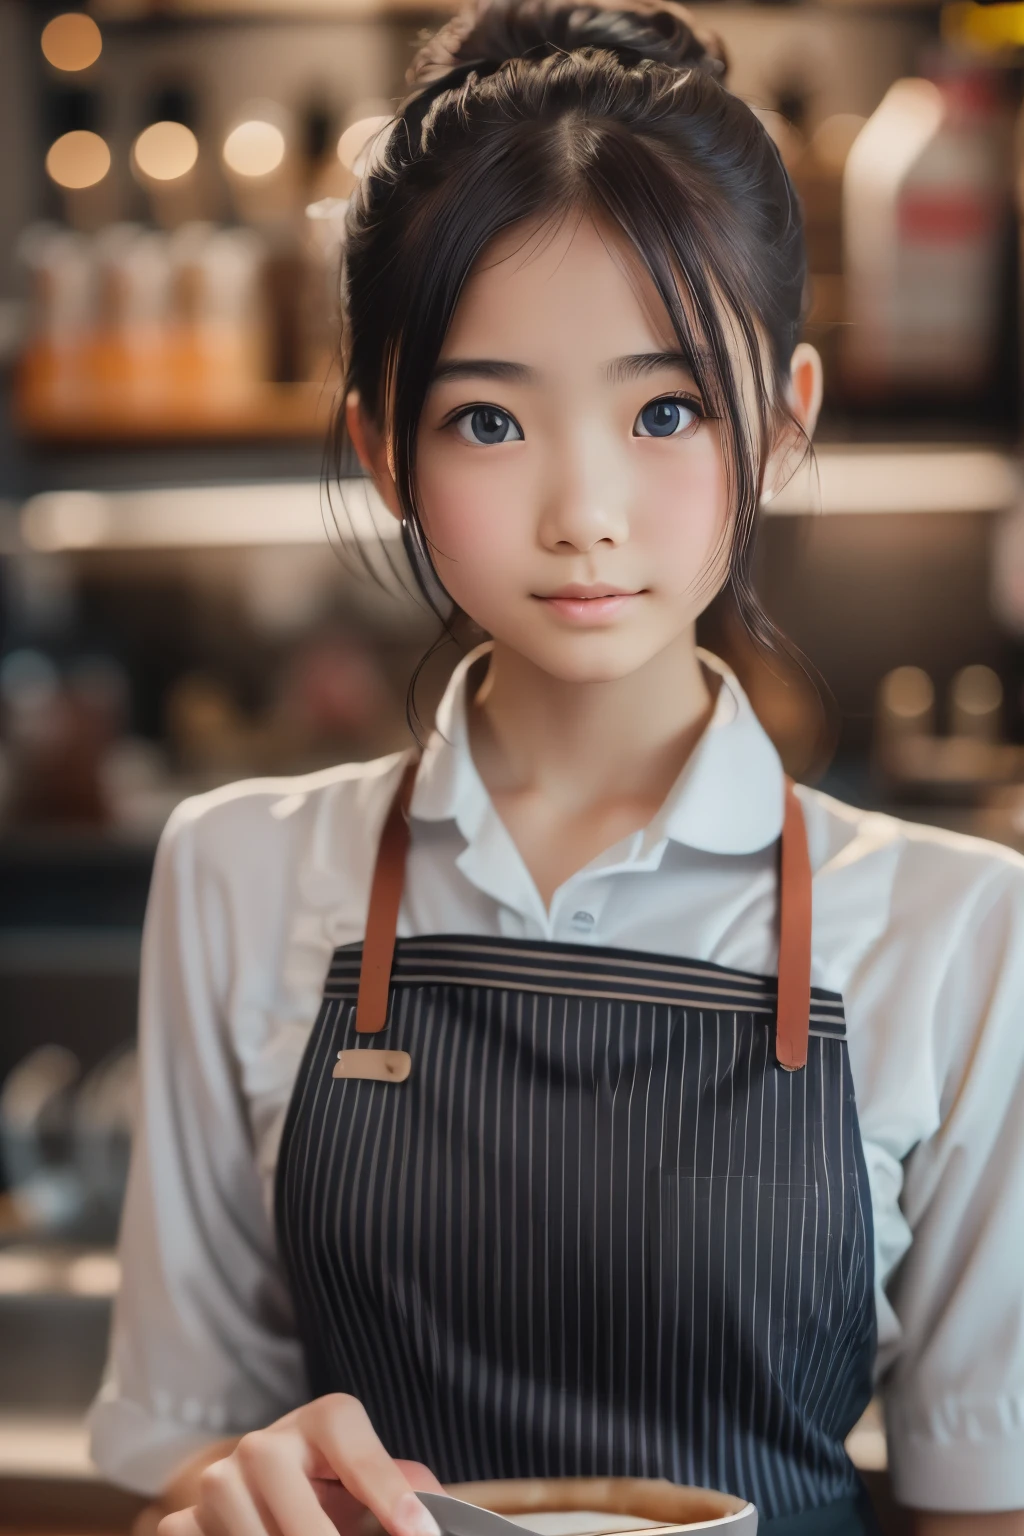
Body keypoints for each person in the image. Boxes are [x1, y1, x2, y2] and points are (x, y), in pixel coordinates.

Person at [88, 3, 1024, 1534]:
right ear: (384, 444)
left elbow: (981, 1508)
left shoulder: (964, 931)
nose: (582, 509)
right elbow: (181, 1471)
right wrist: (216, 1505)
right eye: (487, 418)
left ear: (784, 424)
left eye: (665, 409)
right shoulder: (237, 874)